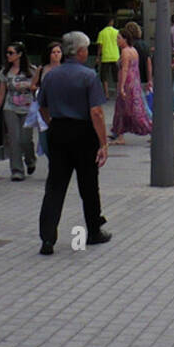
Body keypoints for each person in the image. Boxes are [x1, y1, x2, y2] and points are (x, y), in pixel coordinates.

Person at [37, 32, 111, 255]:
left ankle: (47, 238)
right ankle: (94, 230)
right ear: (80, 52)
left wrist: (52, 122)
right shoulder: (89, 76)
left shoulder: (51, 76)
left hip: (58, 130)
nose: (87, 52)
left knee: (55, 185)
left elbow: (42, 105)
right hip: (83, 132)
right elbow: (96, 112)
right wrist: (103, 143)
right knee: (88, 184)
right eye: (86, 49)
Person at [0, 40, 37, 181]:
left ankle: (30, 160)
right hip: (10, 108)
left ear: (19, 55)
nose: (8, 55)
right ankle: (17, 170)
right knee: (14, 139)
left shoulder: (32, 70)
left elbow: (37, 89)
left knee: (25, 139)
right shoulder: (5, 72)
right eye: (7, 53)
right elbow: (1, 93)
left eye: (11, 53)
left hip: (28, 109)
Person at [109, 28, 152, 144]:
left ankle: (150, 129)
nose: (117, 40)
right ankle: (119, 134)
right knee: (131, 109)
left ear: (125, 39)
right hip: (135, 83)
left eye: (119, 38)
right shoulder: (134, 50)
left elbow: (125, 69)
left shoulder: (125, 52)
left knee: (128, 110)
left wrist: (121, 86)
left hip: (127, 84)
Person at [30, 41, 64, 159]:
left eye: (58, 52)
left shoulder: (65, 69)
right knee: (44, 139)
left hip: (60, 108)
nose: (56, 55)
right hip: (44, 107)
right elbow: (33, 86)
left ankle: (58, 163)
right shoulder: (42, 69)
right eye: (53, 52)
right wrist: (41, 89)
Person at [96, 17, 120, 97]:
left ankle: (106, 94)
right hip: (115, 56)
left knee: (104, 76)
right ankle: (117, 93)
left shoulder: (101, 33)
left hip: (106, 56)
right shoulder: (117, 32)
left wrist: (98, 57)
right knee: (116, 76)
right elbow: (120, 44)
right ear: (111, 22)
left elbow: (100, 46)